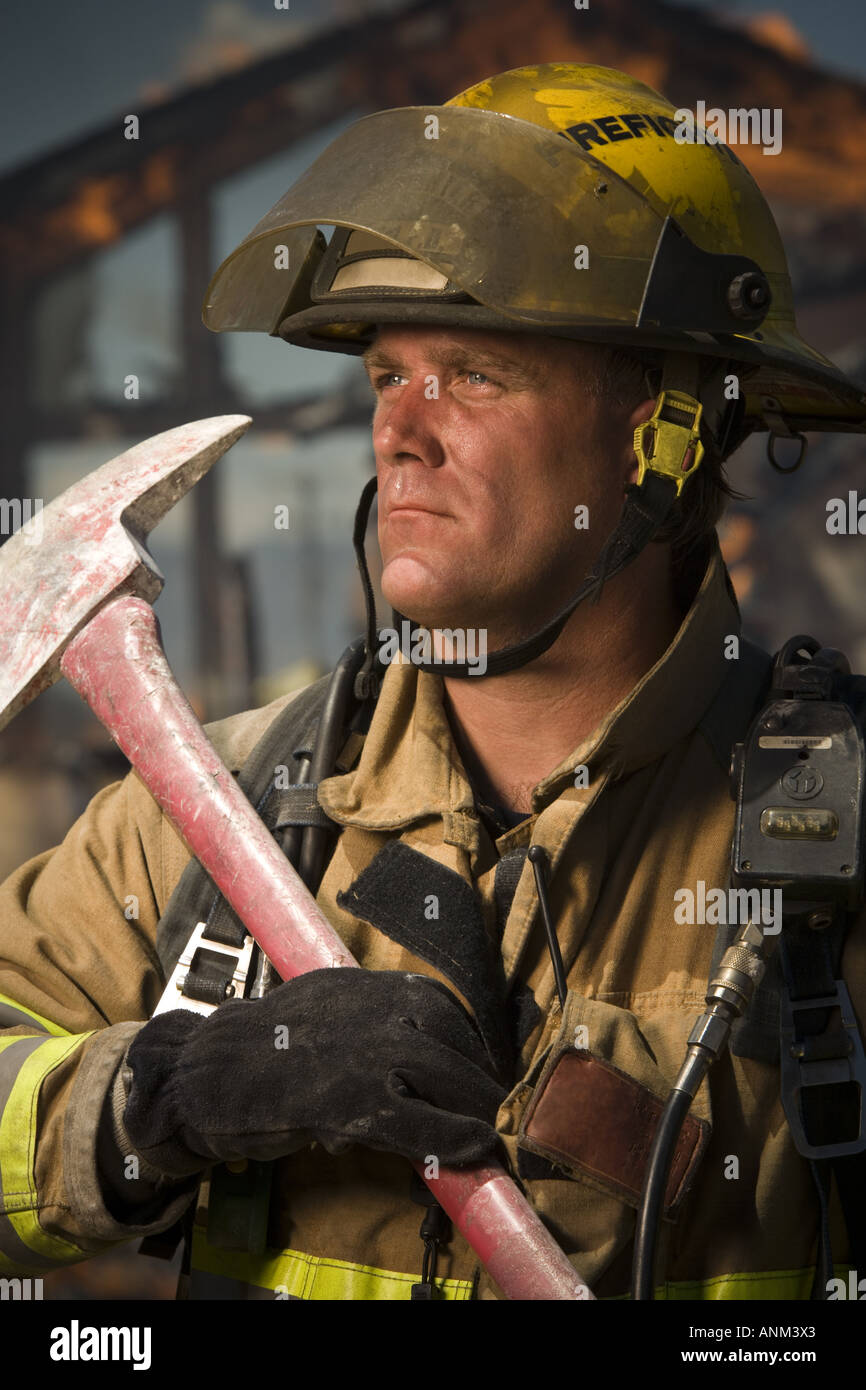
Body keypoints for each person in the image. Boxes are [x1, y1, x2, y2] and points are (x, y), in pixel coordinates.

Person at [1, 62, 864, 1302]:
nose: (398, 429)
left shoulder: (837, 834)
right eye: (384, 374)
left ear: (666, 425)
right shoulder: (218, 813)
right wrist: (163, 1097)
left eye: (472, 371)